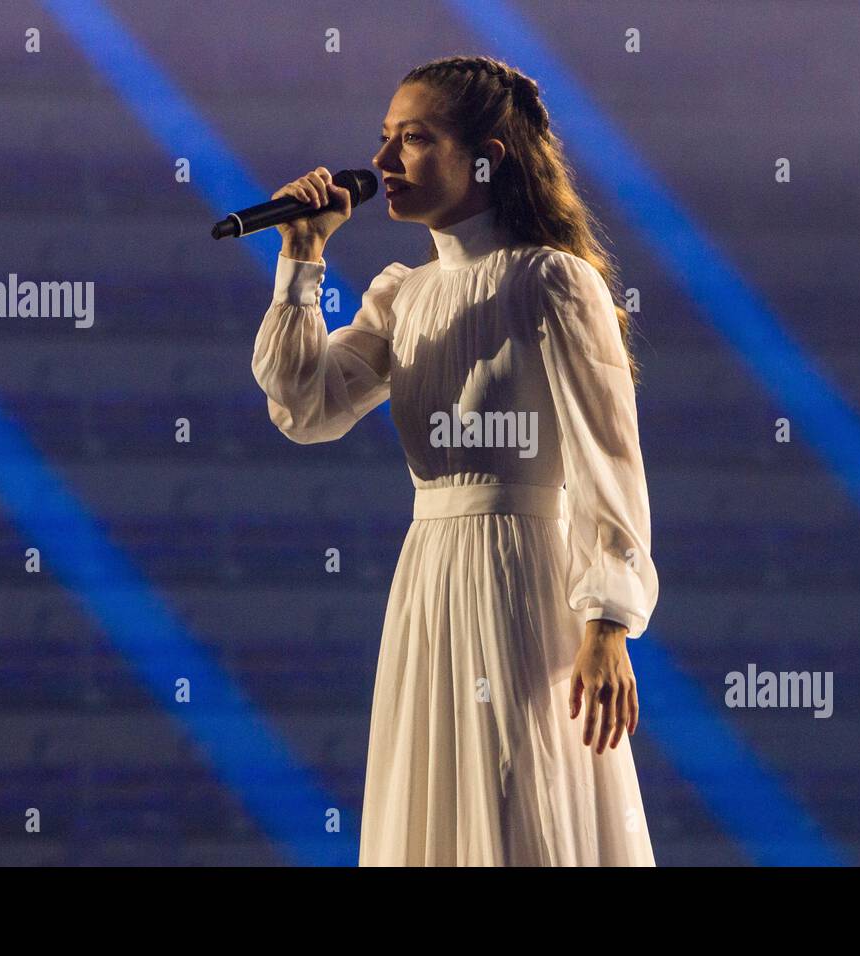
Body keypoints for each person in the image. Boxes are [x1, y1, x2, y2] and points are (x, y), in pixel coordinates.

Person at [252, 55, 659, 866]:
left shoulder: (554, 281)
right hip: (431, 576)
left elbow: (607, 459)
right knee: (434, 811)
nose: (383, 164)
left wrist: (607, 622)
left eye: (415, 139)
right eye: (385, 139)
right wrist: (301, 256)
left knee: (517, 802)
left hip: (521, 579)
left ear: (488, 156)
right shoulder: (402, 293)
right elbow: (306, 407)